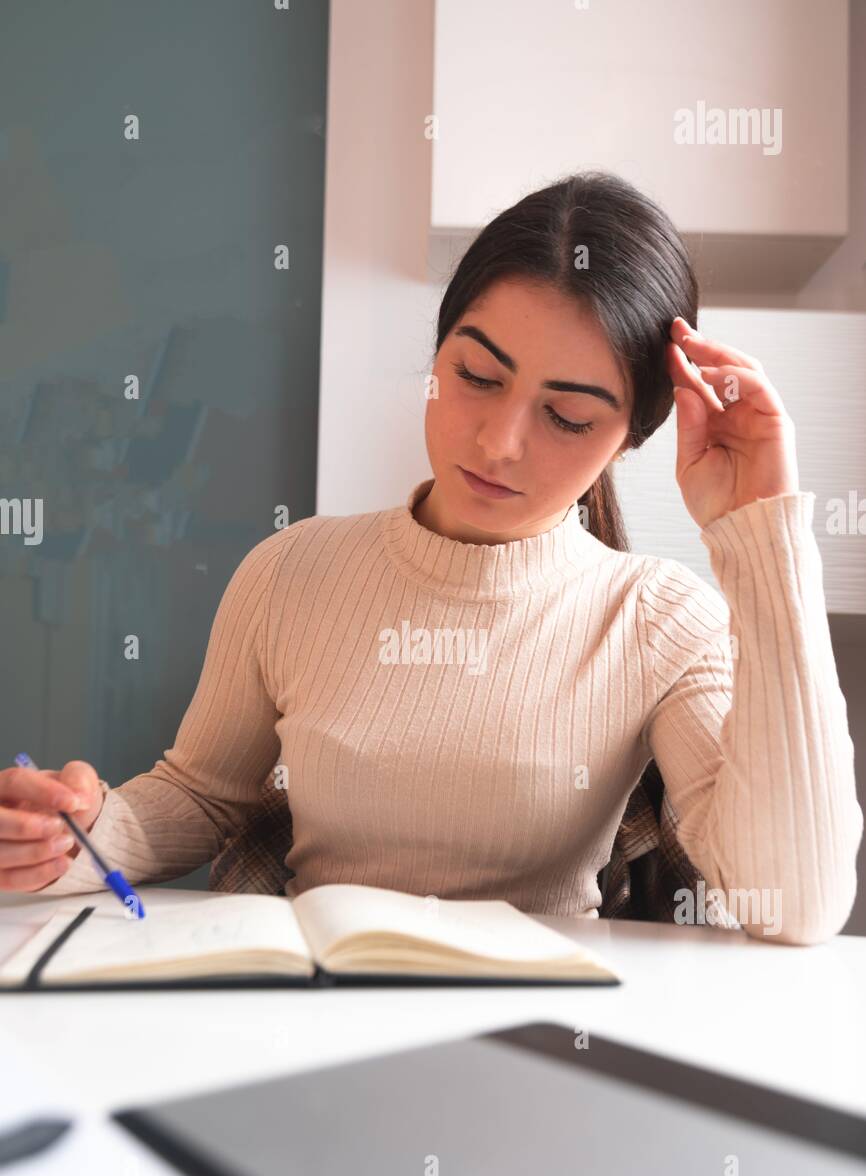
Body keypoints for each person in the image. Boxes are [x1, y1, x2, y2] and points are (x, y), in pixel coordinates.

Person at [1, 171, 861, 945]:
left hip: (543, 1043)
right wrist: (76, 833)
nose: (499, 442)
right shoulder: (289, 573)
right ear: (438, 356)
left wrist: (764, 536)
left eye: (567, 418)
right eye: (478, 376)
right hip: (301, 1018)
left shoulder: (658, 619)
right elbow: (198, 799)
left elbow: (794, 902)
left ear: (629, 439)